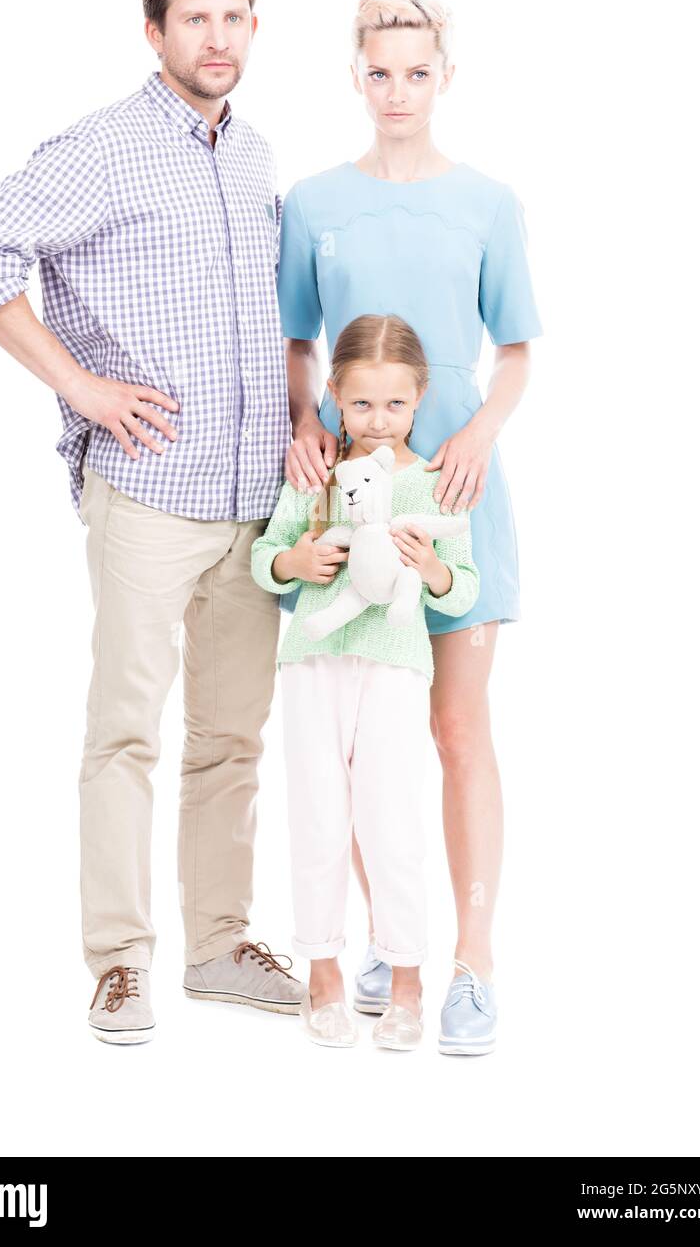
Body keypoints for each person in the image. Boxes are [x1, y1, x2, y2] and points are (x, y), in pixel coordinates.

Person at [0, 0, 306, 1044]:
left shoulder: (255, 157)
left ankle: (215, 945)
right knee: (125, 734)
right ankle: (118, 962)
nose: (217, 39)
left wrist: (299, 419)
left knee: (231, 739)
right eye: (195, 20)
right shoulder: (100, 148)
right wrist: (82, 387)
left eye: (234, 18)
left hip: (251, 502)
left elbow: (272, 317)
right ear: (155, 33)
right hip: (148, 493)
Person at [277, 0, 544, 1055]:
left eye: (416, 72)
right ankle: (385, 949)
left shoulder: (487, 202)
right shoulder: (312, 203)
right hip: (347, 499)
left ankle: (471, 962)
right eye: (378, 71)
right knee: (348, 738)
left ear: (443, 77)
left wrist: (478, 431)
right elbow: (298, 341)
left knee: (453, 729)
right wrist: (304, 421)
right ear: (354, 75)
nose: (396, 90)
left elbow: (518, 349)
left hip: (456, 501)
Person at [251, 314, 480, 1049]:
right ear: (334, 399)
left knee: (390, 822)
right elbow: (268, 555)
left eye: (394, 406)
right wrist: (296, 564)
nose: (377, 423)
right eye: (360, 406)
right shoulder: (318, 477)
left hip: (394, 666)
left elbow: (463, 588)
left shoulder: (436, 484)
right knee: (317, 817)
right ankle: (323, 973)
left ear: (419, 402)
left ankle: (406, 978)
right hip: (312, 666)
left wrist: (432, 568)